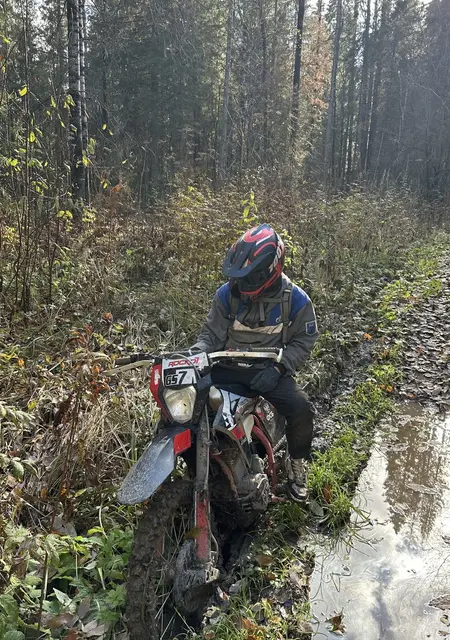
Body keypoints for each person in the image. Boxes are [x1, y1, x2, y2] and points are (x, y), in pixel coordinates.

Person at [191, 223, 319, 501]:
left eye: (250, 278)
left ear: (270, 270)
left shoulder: (295, 300)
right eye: (240, 278)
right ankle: (196, 463)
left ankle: (297, 464)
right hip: (227, 367)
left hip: (269, 370)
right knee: (188, 403)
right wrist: (195, 355)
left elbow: (304, 341)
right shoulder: (226, 295)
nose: (243, 285)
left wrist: (281, 367)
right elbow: (210, 335)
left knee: (301, 410)